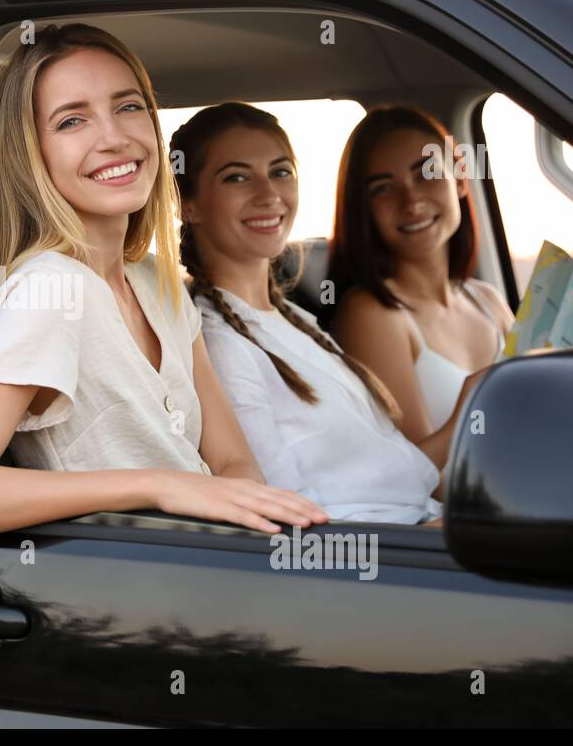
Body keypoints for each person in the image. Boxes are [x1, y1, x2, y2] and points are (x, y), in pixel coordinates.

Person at [0, 24, 327, 542]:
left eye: (128, 107)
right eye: (72, 120)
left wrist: (230, 515)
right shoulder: (52, 291)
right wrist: (157, 487)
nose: (114, 137)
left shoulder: (156, 282)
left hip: (216, 570)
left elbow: (234, 459)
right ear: (32, 153)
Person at [173, 102, 441, 525]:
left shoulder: (301, 323)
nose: (269, 195)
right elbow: (291, 513)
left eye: (280, 172)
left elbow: (401, 472)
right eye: (237, 177)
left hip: (423, 524)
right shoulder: (219, 345)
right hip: (380, 554)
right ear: (189, 206)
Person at [328, 106, 514, 455]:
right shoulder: (374, 314)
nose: (411, 201)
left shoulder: (487, 300)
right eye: (383, 188)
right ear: (364, 208)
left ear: (459, 179)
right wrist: (477, 405)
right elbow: (415, 480)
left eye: (427, 173)